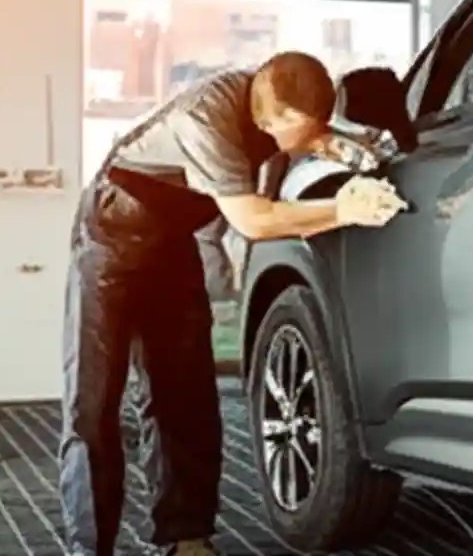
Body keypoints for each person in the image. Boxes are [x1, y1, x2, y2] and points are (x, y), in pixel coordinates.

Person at [60, 51, 405, 556]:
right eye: (303, 131)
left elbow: (303, 141)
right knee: (94, 403)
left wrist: (341, 145)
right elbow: (254, 220)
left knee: (185, 392)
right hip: (111, 233)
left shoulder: (278, 98)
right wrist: (343, 208)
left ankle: (185, 538)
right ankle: (88, 548)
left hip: (171, 238)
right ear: (272, 120)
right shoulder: (205, 116)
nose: (310, 140)